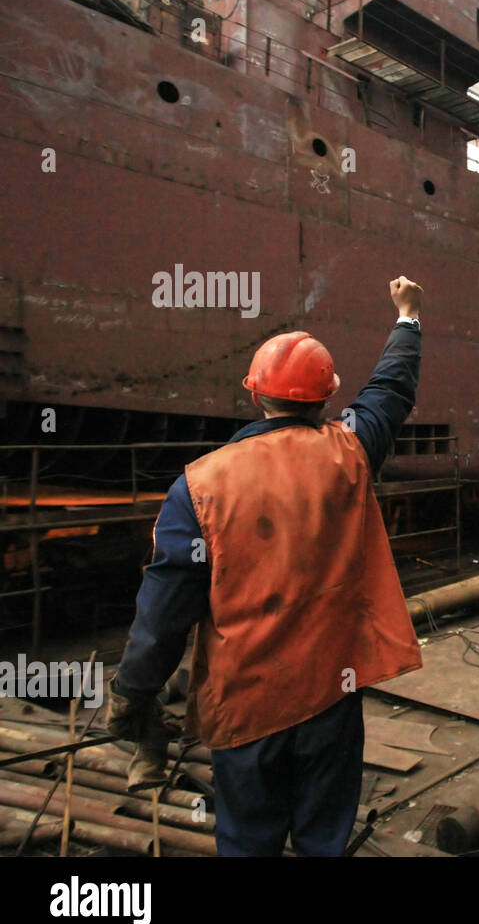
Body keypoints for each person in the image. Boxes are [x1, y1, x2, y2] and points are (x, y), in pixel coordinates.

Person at [107, 276, 426, 855]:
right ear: (326, 398)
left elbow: (163, 614)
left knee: (248, 841)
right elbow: (390, 391)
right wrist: (408, 316)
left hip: (246, 708)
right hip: (332, 694)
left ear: (256, 395)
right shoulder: (349, 452)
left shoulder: (199, 486)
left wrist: (133, 692)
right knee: (322, 838)